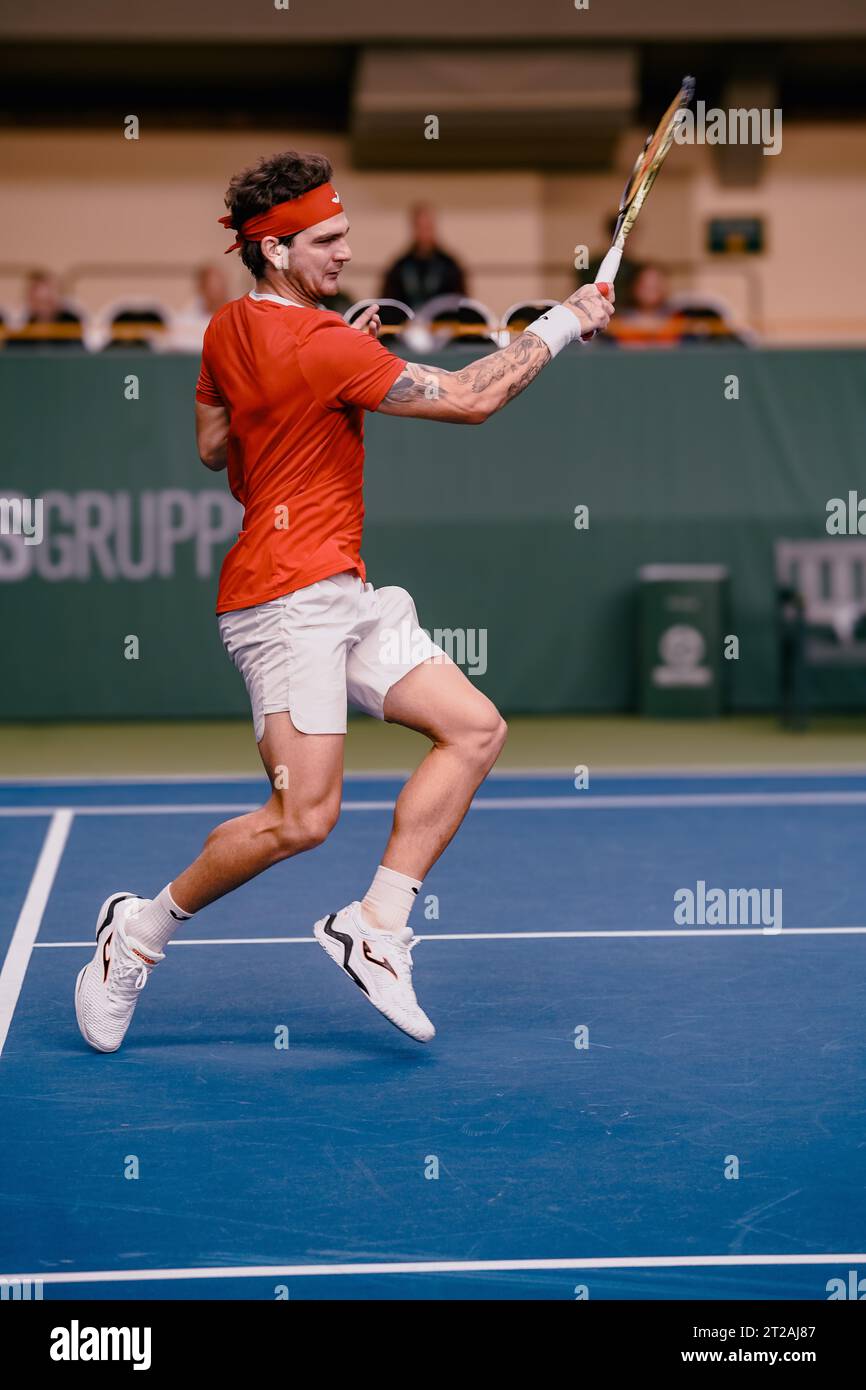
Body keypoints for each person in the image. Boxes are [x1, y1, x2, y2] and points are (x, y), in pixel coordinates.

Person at [74, 150, 614, 1053]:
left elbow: (216, 449)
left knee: (475, 729)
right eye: (326, 240)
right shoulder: (323, 344)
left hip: (345, 589)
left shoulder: (230, 329)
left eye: (344, 232)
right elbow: (470, 399)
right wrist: (562, 322)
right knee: (304, 819)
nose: (345, 249)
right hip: (282, 603)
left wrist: (321, 380)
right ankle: (137, 932)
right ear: (276, 249)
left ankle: (377, 924)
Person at [380, 203, 467, 309]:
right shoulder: (400, 267)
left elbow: (460, 303)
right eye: (420, 227)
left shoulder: (449, 266)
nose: (424, 233)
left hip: (442, 323)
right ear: (413, 228)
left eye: (428, 227)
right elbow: (389, 303)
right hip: (407, 323)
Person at [8, 270, 83, 349]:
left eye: (47, 301)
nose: (43, 308)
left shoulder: (72, 323)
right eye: (38, 301)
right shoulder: (20, 328)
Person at [170, 263, 230, 351]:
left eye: (222, 285)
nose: (220, 291)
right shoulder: (186, 320)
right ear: (201, 288)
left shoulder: (238, 317)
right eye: (213, 286)